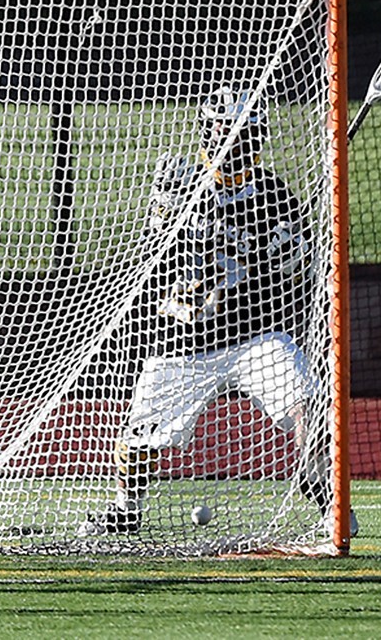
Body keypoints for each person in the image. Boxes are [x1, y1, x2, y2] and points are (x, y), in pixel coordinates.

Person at [77, 85, 322, 537]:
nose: (230, 143)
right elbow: (160, 247)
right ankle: (126, 509)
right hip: (181, 339)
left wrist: (286, 247)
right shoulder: (178, 179)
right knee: (139, 439)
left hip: (253, 334)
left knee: (305, 399)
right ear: (206, 132)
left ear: (257, 138)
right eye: (221, 131)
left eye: (241, 134)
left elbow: (295, 270)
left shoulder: (275, 194)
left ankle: (318, 482)